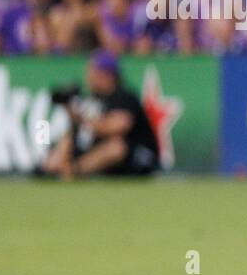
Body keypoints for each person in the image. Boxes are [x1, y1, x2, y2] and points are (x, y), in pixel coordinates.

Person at [41, 51, 159, 179]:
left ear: (107, 75)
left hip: (137, 157)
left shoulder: (124, 97)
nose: (89, 76)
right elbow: (79, 131)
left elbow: (116, 127)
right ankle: (52, 169)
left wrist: (81, 117)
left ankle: (74, 171)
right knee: (68, 137)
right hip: (107, 157)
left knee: (116, 146)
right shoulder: (93, 98)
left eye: (93, 71)